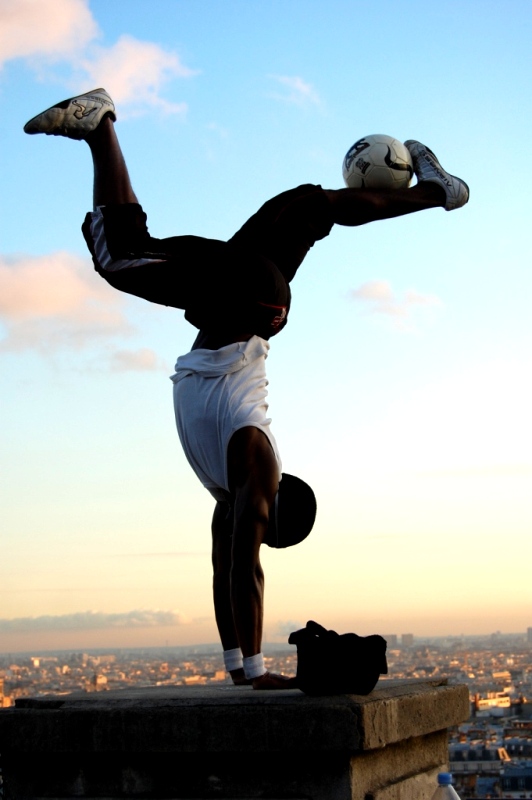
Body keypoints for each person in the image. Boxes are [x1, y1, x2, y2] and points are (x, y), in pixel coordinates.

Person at [24, 89, 469, 689]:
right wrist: (260, 674)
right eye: (259, 522)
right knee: (122, 257)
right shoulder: (255, 464)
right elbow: (244, 568)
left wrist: (237, 667)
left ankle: (435, 193)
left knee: (311, 207)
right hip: (250, 302)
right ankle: (101, 126)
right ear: (273, 506)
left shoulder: (226, 492)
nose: (248, 525)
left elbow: (220, 567)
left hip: (251, 296)